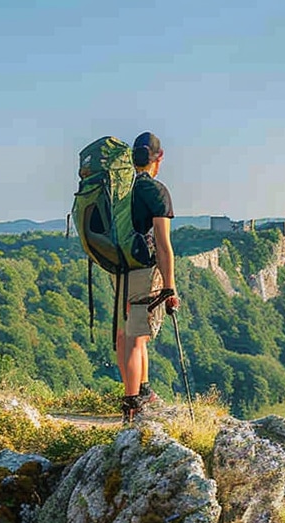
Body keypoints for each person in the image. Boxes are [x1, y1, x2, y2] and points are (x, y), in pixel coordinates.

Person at [116, 131, 179, 422]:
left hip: (117, 268)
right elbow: (164, 245)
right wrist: (170, 287)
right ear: (159, 157)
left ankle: (143, 391)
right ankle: (132, 406)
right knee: (137, 337)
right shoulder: (156, 191)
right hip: (143, 269)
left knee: (124, 333)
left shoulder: (121, 189)